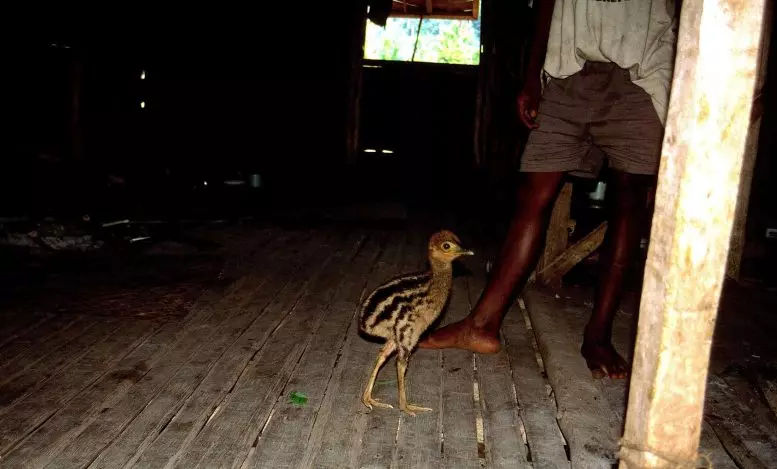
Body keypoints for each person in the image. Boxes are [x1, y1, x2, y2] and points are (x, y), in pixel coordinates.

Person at [419, 0, 679, 379]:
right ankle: (482, 325)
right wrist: (532, 76)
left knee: (629, 203)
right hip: (567, 73)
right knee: (533, 194)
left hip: (643, 77)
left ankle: (599, 335)